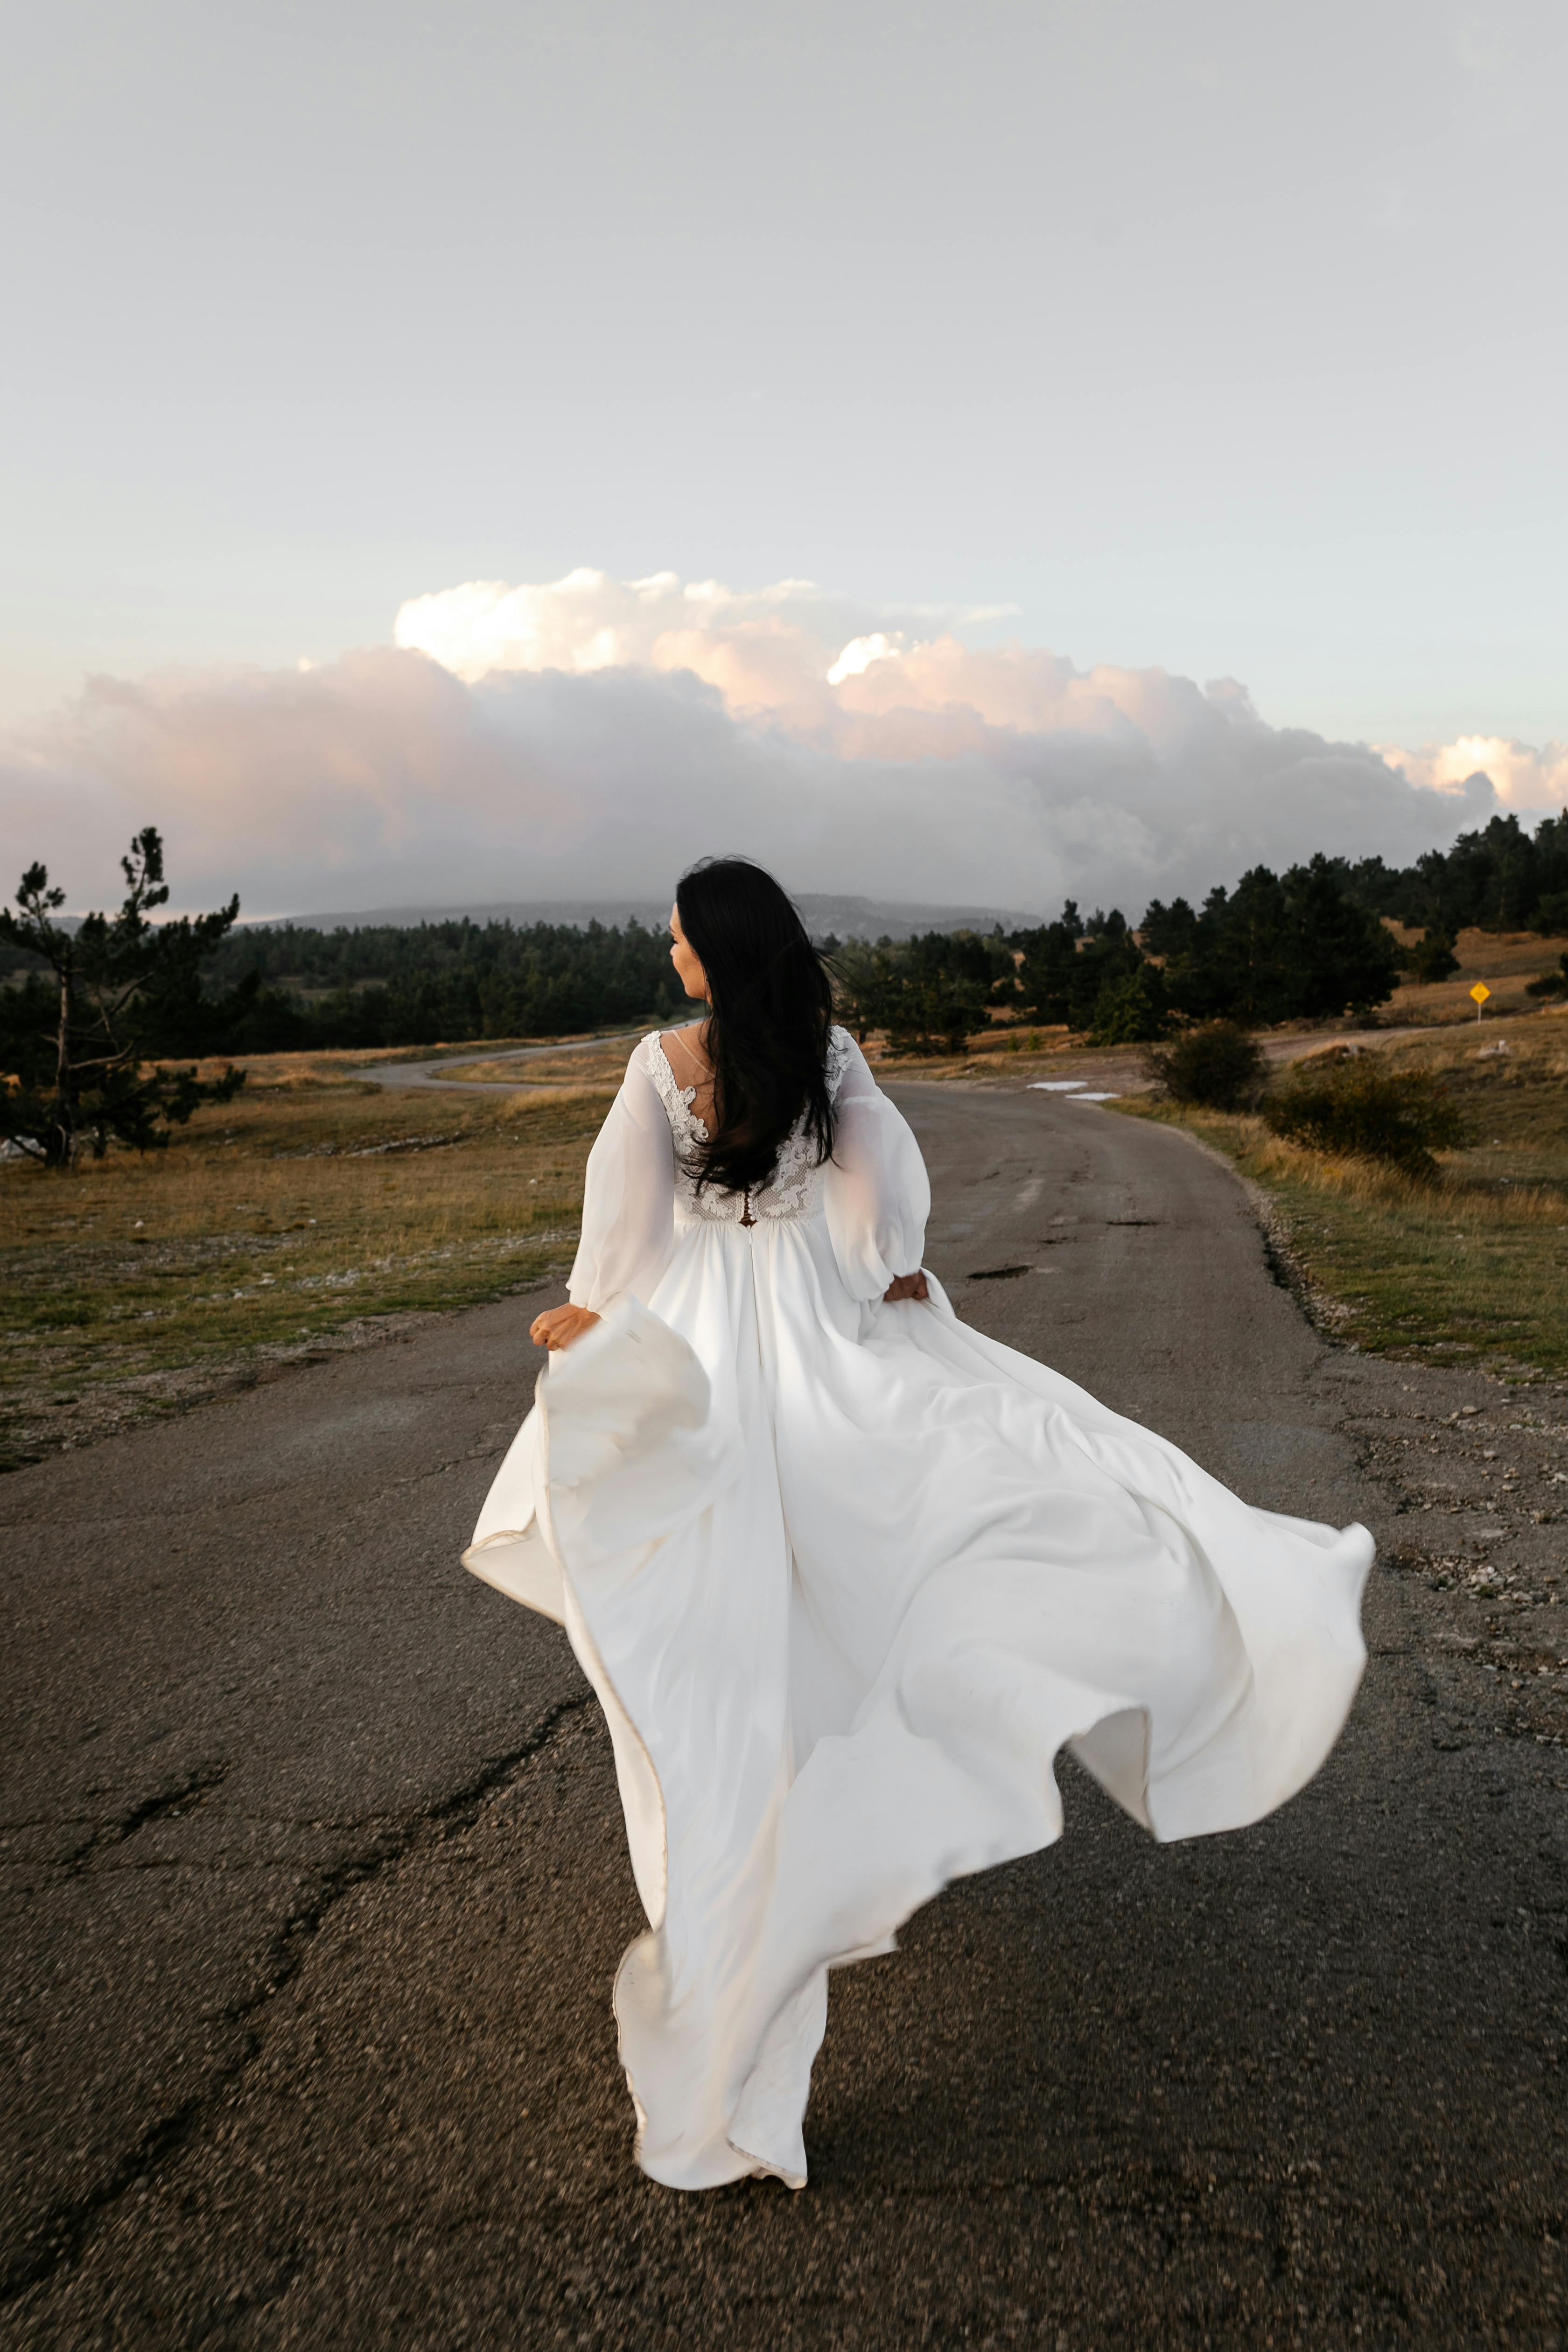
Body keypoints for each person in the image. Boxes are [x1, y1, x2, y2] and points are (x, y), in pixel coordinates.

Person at [463, 856, 1371, 2193]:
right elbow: (885, 1218)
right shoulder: (831, 1056)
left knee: (694, 1643)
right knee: (910, 1550)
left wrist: (595, 1318)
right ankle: (823, 1852)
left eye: (677, 942)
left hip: (707, 1353)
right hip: (826, 1351)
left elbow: (627, 1238)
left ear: (714, 951)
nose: (670, 960)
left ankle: (739, 1906)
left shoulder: (660, 1065)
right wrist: (886, 1276)